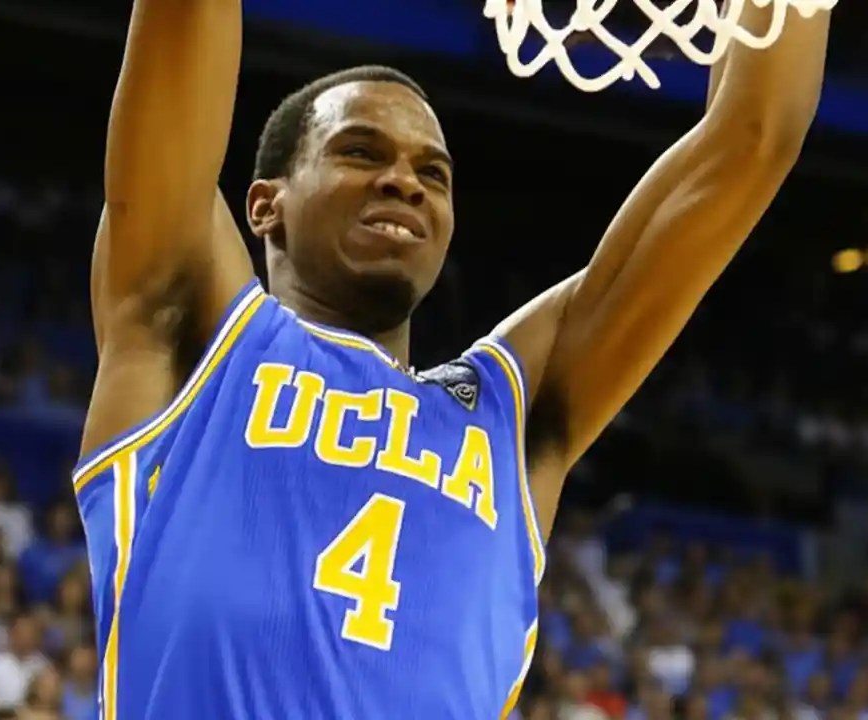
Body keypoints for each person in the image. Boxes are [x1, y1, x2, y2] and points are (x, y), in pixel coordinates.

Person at [73, 0, 829, 717]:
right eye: (360, 152)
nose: (404, 180)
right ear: (266, 204)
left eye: (432, 174)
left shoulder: (512, 413)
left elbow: (753, 140)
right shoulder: (192, 338)